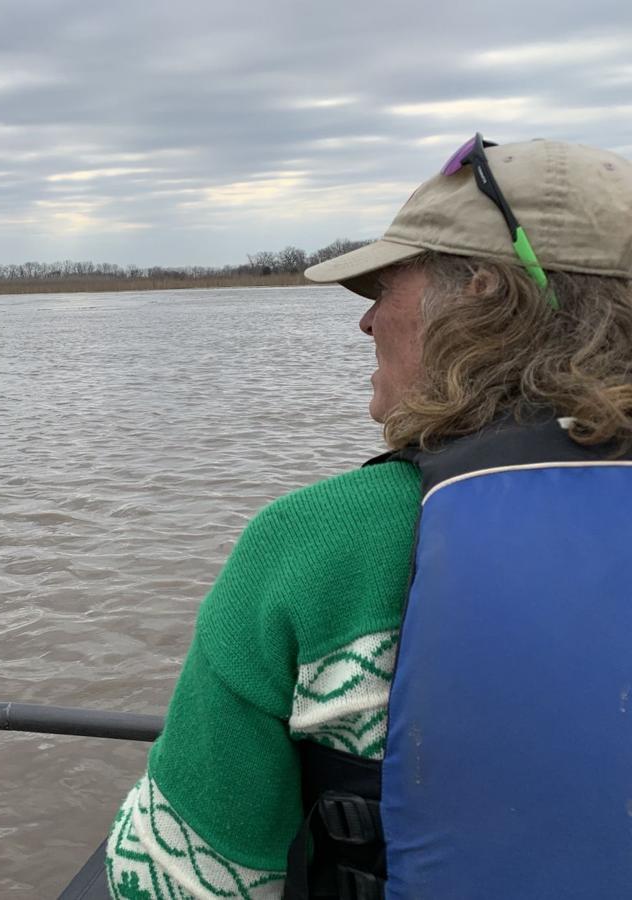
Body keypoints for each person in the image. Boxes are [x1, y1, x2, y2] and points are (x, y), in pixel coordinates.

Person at [104, 136, 632, 900]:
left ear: (478, 295)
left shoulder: (320, 542)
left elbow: (172, 884)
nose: (367, 322)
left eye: (385, 287)